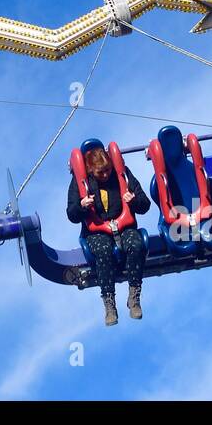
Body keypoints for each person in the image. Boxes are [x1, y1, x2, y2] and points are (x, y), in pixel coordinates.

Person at [66, 139, 151, 326]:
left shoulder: (123, 175)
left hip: (124, 226)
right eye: (100, 172)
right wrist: (81, 206)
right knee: (103, 251)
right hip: (96, 231)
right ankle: (109, 303)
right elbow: (71, 214)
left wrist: (134, 200)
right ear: (90, 171)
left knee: (135, 245)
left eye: (107, 170)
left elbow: (145, 205)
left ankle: (134, 295)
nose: (105, 175)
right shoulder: (80, 182)